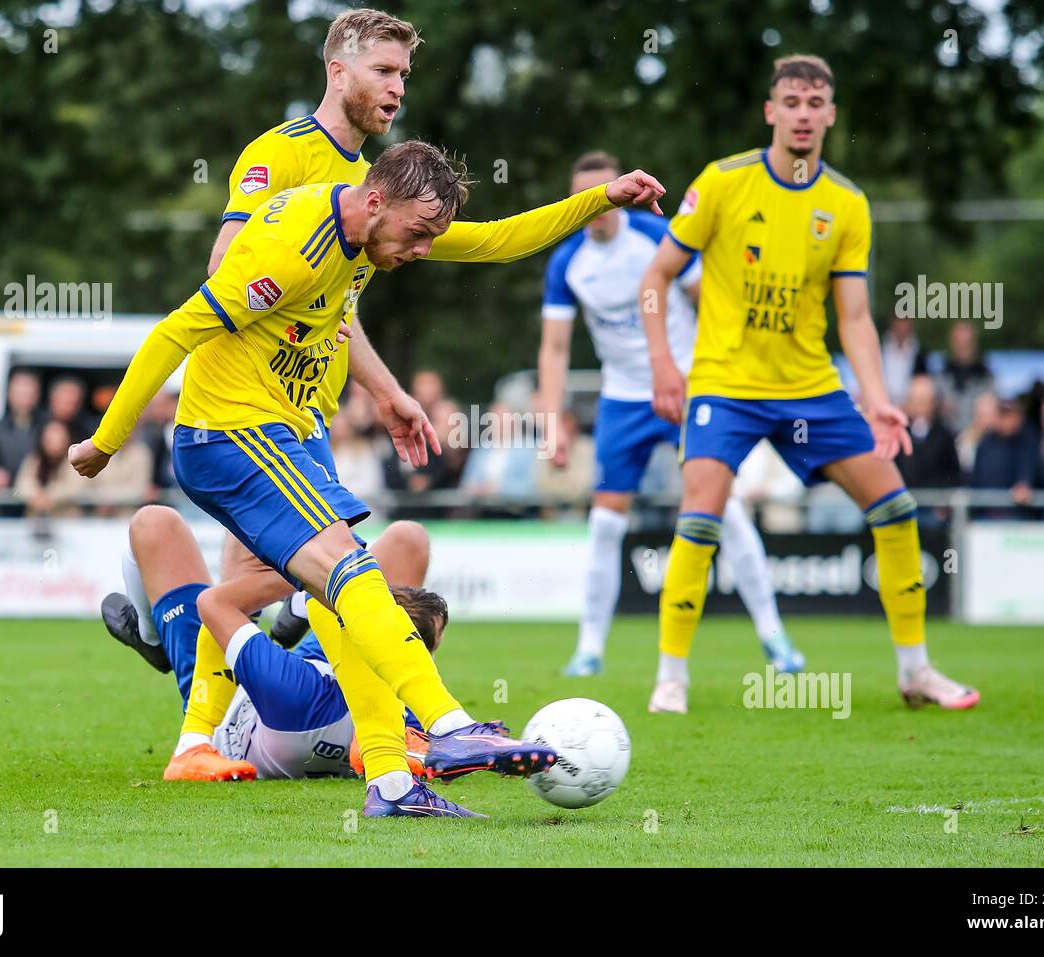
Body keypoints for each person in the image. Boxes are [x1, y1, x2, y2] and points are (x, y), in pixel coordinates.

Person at [69, 142, 666, 818]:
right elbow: (177, 330)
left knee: (346, 587)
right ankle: (444, 724)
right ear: (377, 201)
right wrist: (105, 442)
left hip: (288, 435)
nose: (420, 252)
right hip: (229, 435)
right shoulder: (293, 249)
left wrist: (601, 198)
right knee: (347, 570)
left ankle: (390, 784)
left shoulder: (375, 227)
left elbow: (498, 241)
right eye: (418, 235)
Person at [192, 7, 665, 773]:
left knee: (314, 580)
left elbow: (491, 241)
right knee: (272, 578)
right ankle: (213, 733)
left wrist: (599, 200)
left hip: (305, 412)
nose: (397, 88)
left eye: (404, 75)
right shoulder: (278, 155)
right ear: (337, 70)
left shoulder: (377, 184)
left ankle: (380, 757)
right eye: (385, 71)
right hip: (249, 411)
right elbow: (226, 269)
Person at [639, 54, 978, 715]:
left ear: (830, 115)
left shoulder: (847, 203)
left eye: (814, 102)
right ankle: (671, 676)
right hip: (725, 384)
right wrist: (661, 364)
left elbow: (854, 314)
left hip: (811, 389)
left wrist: (878, 398)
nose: (801, 113)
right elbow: (656, 278)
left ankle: (916, 671)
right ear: (771, 110)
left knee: (897, 507)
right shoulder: (723, 182)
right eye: (790, 101)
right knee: (701, 512)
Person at [537, 149, 802, 677]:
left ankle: (776, 640)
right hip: (623, 401)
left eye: (605, 198)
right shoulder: (567, 261)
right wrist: (551, 421)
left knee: (721, 511)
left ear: (622, 193)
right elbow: (555, 349)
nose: (598, 211)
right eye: (585, 201)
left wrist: (727, 379)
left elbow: (711, 303)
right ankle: (589, 651)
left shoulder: (656, 238)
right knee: (606, 524)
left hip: (689, 388)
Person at [102, 505, 446, 787]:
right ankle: (313, 597)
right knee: (407, 538)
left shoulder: (297, 692)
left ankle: (152, 639)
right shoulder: (406, 694)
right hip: (336, 687)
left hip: (230, 698)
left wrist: (304, 579)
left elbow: (217, 605)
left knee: (155, 523)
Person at [970, 396, 1039, 519]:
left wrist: (1024, 483)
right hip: (986, 514)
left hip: (1017, 514)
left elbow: (1028, 469)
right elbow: (977, 479)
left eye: (1010, 414)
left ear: (1019, 416)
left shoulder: (1028, 440)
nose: (1006, 419)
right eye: (1003, 414)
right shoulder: (985, 444)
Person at [0, 370, 44, 490]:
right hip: (5, 500)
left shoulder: (47, 428)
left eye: (29, 394)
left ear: (37, 396)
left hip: (37, 499)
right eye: (20, 394)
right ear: (9, 395)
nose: (24, 400)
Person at [937, 320, 994, 433]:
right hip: (945, 441)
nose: (963, 347)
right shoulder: (940, 377)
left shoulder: (987, 378)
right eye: (959, 342)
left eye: (967, 343)